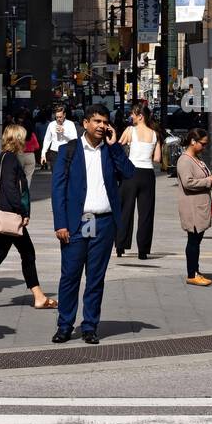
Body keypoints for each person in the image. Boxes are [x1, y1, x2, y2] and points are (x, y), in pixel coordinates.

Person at [50, 106, 134, 344]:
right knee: (70, 276)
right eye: (96, 121)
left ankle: (89, 326)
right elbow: (58, 191)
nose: (101, 126)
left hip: (104, 222)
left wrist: (115, 145)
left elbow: (129, 173)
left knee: (96, 278)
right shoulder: (69, 150)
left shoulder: (111, 151)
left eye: (105, 122)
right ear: (85, 123)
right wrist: (61, 224)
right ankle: (64, 326)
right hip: (77, 222)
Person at [0, 124, 57, 312]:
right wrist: (22, 212)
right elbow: (10, 188)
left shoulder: (3, 158)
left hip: (6, 212)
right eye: (22, 138)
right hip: (11, 214)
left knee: (21, 253)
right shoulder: (10, 160)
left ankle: (38, 296)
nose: (24, 141)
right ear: (16, 139)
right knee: (3, 254)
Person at [176, 127, 212, 286]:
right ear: (193, 142)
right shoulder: (185, 160)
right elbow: (188, 183)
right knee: (193, 241)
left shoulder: (197, 159)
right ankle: (191, 274)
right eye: (202, 144)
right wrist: (209, 181)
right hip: (192, 207)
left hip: (200, 206)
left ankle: (196, 270)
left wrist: (211, 178)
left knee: (197, 240)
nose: (204, 147)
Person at [116, 101, 161, 259]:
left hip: (131, 173)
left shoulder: (130, 130)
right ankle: (143, 250)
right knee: (146, 213)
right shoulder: (154, 134)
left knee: (125, 211)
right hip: (147, 174)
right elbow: (157, 158)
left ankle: (121, 246)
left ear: (140, 116)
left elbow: (118, 147)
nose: (130, 117)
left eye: (132, 114)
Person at [41, 104, 78, 172]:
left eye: (60, 117)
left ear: (64, 115)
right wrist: (43, 153)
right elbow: (47, 139)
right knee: (55, 173)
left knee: (66, 173)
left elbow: (74, 138)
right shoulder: (51, 125)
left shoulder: (70, 124)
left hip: (67, 152)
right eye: (57, 117)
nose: (58, 119)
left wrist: (64, 132)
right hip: (54, 152)